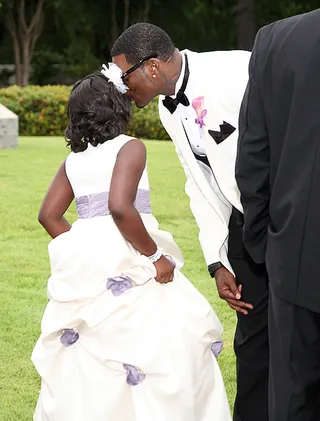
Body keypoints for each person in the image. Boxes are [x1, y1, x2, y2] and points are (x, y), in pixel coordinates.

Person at [32, 64, 232, 421]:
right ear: (117, 106)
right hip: (134, 255)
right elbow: (120, 207)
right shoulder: (130, 148)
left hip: (96, 265)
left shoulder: (73, 160)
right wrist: (155, 255)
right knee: (163, 347)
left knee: (92, 350)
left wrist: (87, 247)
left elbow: (49, 215)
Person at [111, 23, 269, 421]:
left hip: (288, 221)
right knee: (252, 342)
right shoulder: (168, 110)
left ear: (150, 68)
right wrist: (218, 261)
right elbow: (200, 182)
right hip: (242, 229)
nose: (121, 86)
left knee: (299, 334)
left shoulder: (239, 71)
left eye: (123, 75)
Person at [235, 8, 320, 421]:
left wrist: (268, 244)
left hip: (295, 254)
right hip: (290, 253)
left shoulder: (274, 41)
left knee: (292, 400)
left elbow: (252, 157)